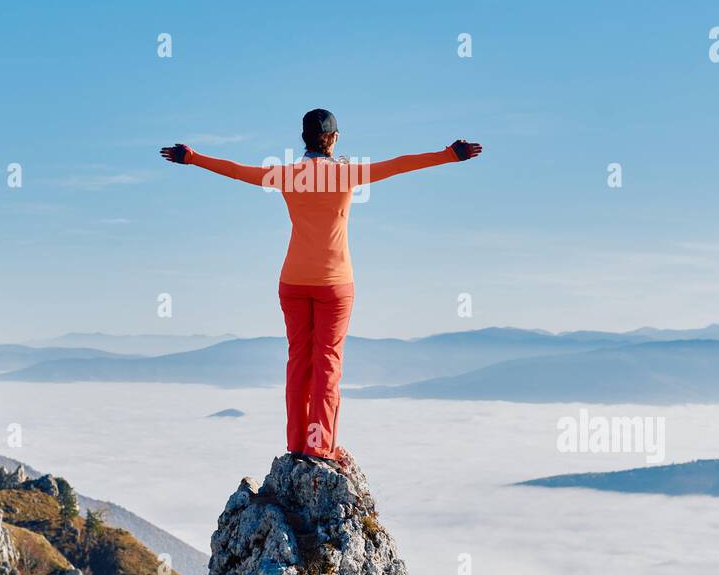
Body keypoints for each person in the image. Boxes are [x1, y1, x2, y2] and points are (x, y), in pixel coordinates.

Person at [161, 109, 482, 468]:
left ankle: (297, 443)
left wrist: (192, 158)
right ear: (332, 138)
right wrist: (449, 155)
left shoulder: (287, 175)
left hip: (292, 282)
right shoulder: (346, 174)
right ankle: (320, 445)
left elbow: (237, 170)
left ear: (304, 138)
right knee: (327, 364)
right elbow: (400, 165)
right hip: (335, 285)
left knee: (299, 362)